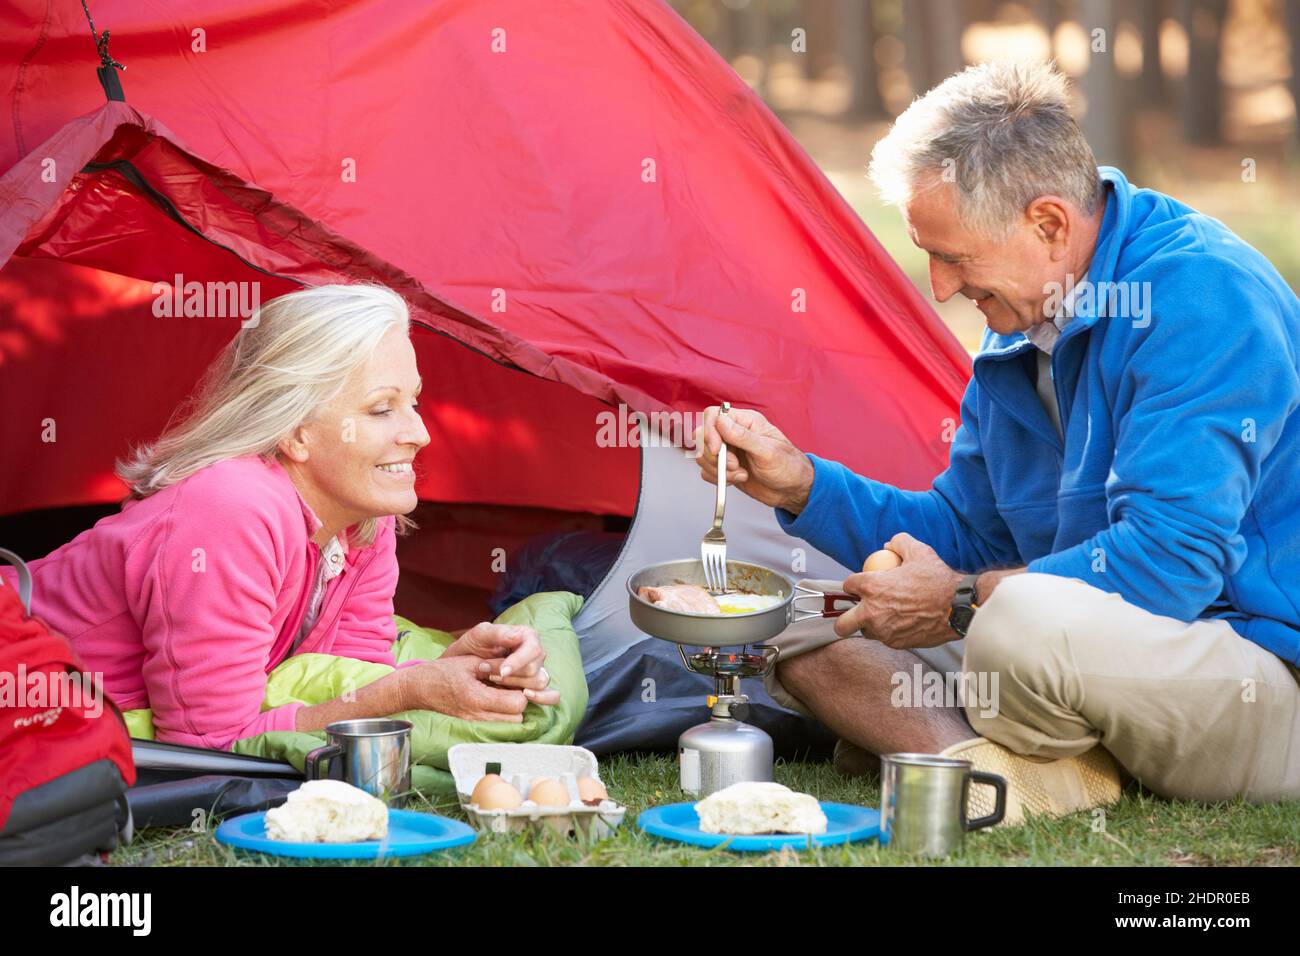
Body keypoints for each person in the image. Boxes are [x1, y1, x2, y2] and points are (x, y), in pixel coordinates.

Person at [694, 61, 1300, 825]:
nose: (940, 287)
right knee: (788, 612)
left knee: (1019, 619)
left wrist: (954, 604)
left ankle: (955, 750)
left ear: (1047, 224)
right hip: (1077, 654)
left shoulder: (1202, 297)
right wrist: (801, 486)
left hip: (1253, 668)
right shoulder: (1025, 319)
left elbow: (1169, 568)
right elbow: (967, 534)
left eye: (954, 257)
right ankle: (995, 774)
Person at [0, 283, 562, 751]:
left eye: (414, 401)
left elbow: (343, 675)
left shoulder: (363, 513)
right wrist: (407, 691)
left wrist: (449, 669)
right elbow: (205, 740)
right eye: (381, 408)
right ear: (294, 431)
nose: (419, 433)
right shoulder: (229, 507)